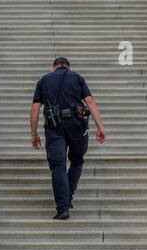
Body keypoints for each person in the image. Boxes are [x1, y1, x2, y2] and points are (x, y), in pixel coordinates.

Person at [30, 56, 106, 220]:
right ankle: (68, 195)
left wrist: (33, 133)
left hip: (54, 126)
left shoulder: (44, 80)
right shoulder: (77, 78)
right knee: (77, 161)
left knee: (58, 165)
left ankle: (62, 207)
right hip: (76, 125)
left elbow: (35, 108)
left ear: (54, 68)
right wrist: (100, 127)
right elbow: (90, 103)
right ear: (68, 67)